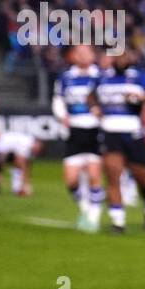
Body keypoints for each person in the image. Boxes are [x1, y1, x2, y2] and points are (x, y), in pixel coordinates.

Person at [96, 48, 145, 231]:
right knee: (113, 174)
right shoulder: (102, 76)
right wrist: (94, 107)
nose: (119, 58)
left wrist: (142, 96)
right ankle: (118, 221)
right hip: (110, 131)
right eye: (116, 55)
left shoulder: (139, 76)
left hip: (133, 132)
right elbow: (90, 95)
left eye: (123, 55)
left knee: (143, 179)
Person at [53, 44, 105, 232]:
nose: (83, 56)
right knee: (71, 181)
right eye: (79, 52)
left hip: (94, 130)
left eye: (87, 52)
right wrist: (61, 115)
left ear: (93, 55)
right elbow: (58, 100)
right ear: (73, 56)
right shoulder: (66, 77)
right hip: (74, 131)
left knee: (93, 175)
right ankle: (85, 207)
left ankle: (94, 216)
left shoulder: (100, 76)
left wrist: (102, 113)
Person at [0, 130, 42, 197]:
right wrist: (25, 183)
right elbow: (21, 162)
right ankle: (18, 188)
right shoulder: (26, 142)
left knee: (18, 166)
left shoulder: (28, 142)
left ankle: (17, 188)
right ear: (37, 143)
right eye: (38, 149)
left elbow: (23, 163)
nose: (37, 151)